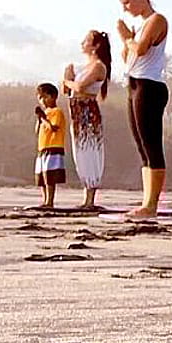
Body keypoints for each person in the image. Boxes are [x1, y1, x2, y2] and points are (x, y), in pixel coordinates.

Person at [116, 0, 169, 218]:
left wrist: (127, 37)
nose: (125, 8)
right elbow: (129, 56)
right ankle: (146, 201)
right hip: (134, 84)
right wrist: (127, 39)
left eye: (127, 2)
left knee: (152, 145)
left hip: (150, 86)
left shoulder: (156, 20)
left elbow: (141, 49)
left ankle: (152, 204)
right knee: (141, 147)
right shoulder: (140, 26)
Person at [61, 30, 111, 209]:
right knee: (80, 153)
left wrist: (67, 80)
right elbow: (69, 91)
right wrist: (68, 80)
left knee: (90, 152)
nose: (82, 43)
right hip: (77, 111)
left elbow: (81, 87)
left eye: (86, 40)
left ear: (96, 45)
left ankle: (90, 197)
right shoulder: (84, 67)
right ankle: (86, 196)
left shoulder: (98, 66)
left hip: (87, 112)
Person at [33, 83, 66, 208]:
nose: (42, 101)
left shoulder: (56, 112)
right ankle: (44, 199)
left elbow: (53, 127)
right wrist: (40, 118)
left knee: (50, 176)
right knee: (41, 176)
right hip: (43, 147)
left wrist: (44, 118)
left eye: (44, 97)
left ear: (52, 97)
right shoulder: (45, 113)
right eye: (40, 98)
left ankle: (50, 201)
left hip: (54, 146)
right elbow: (37, 130)